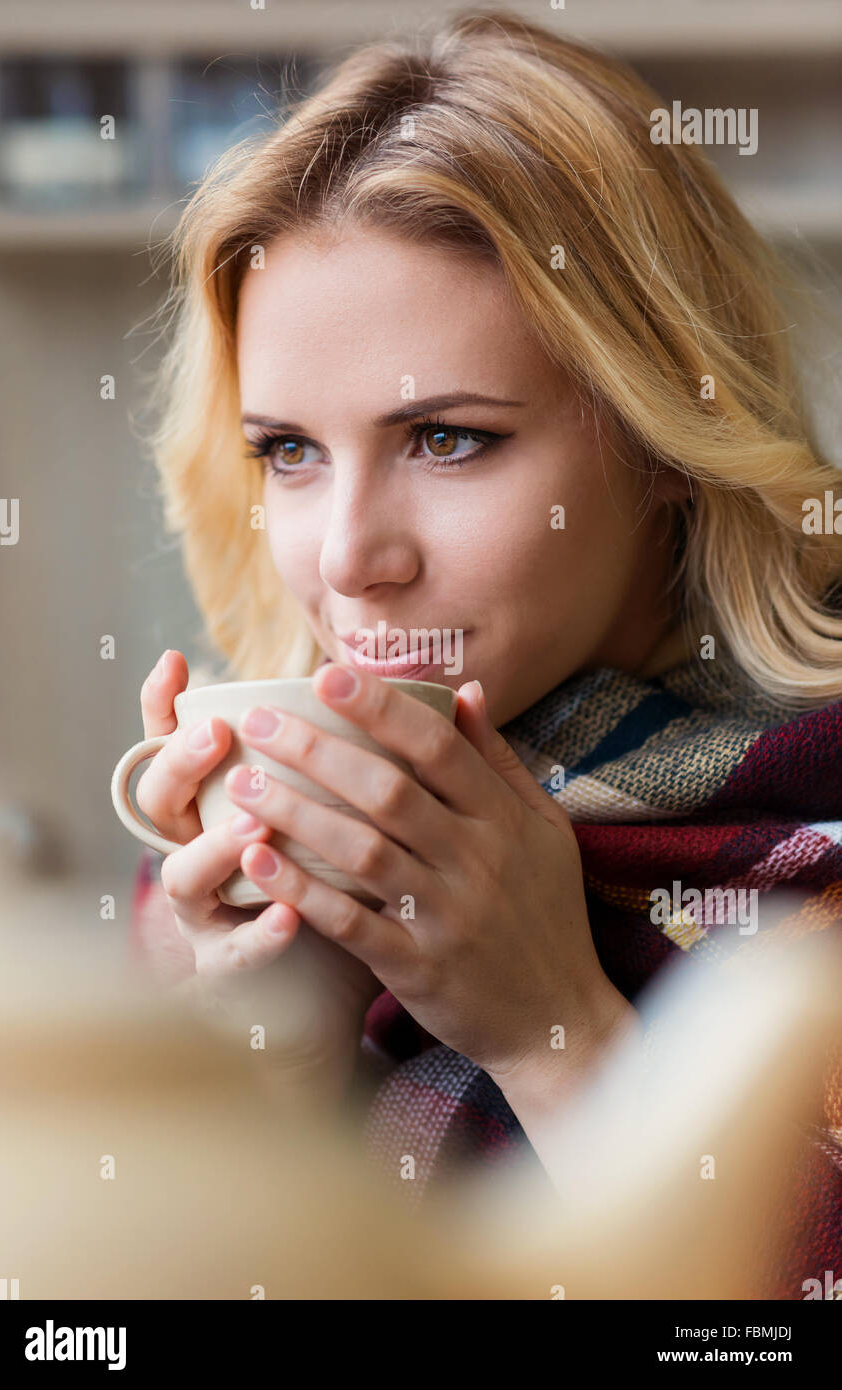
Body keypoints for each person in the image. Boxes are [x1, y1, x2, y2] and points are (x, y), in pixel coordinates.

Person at [127, 10, 842, 1297]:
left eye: (448, 438)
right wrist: (272, 1059)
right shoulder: (214, 893)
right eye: (288, 450)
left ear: (666, 439)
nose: (348, 558)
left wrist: (549, 1026)